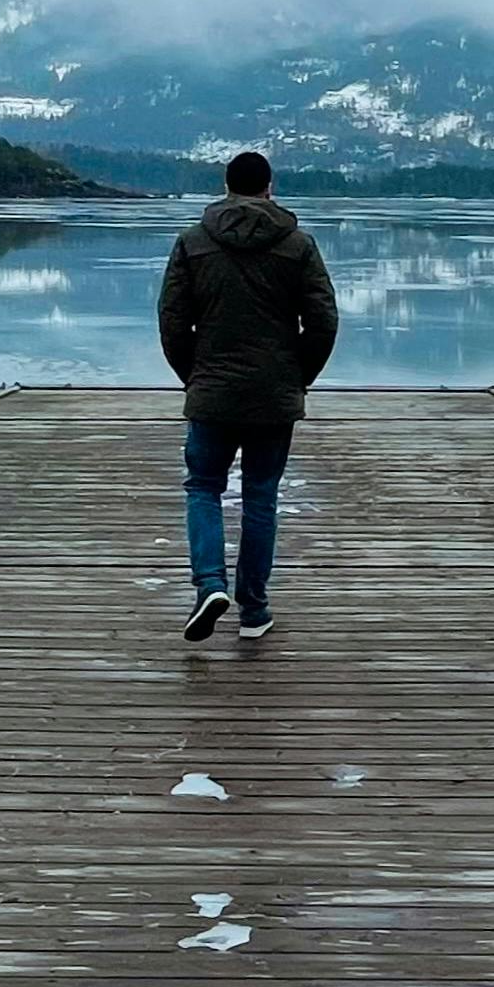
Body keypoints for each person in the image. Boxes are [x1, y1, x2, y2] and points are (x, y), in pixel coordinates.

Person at [156, 150, 338, 642]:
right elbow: (322, 321)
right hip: (273, 394)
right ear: (269, 187)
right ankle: (253, 610)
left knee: (203, 487)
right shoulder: (298, 245)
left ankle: (209, 585)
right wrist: (298, 376)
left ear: (226, 185)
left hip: (212, 391)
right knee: (261, 496)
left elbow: (172, 319)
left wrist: (194, 374)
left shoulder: (193, 243)